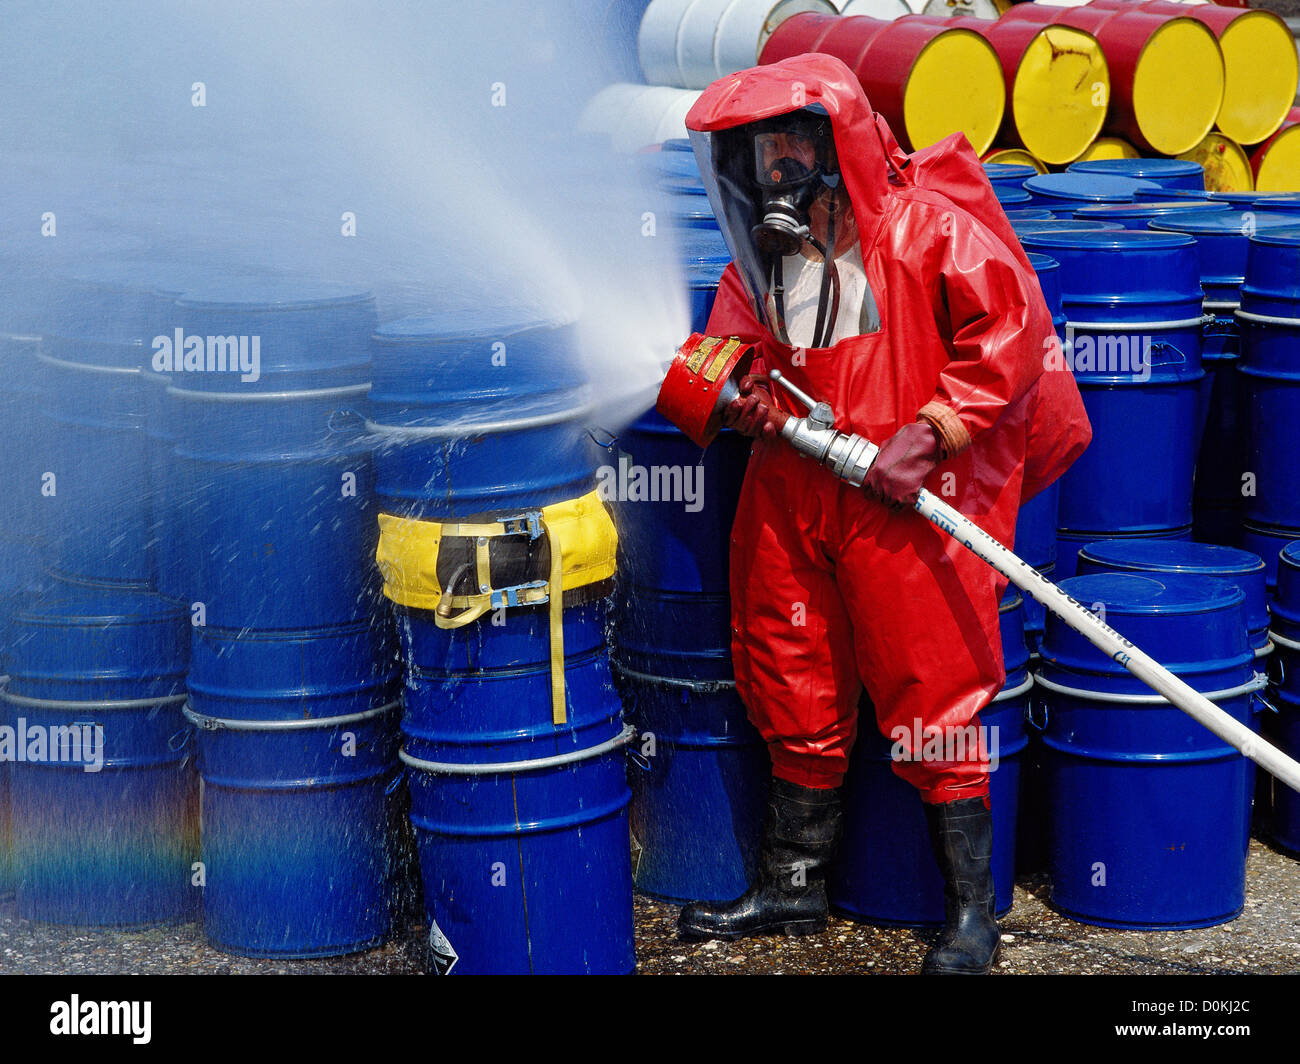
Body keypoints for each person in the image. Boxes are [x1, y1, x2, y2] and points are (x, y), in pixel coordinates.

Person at [674, 54, 1090, 974]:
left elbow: (1010, 335)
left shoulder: (928, 233)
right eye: (756, 151)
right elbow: (720, 351)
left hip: (904, 502)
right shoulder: (764, 254)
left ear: (837, 141)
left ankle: (972, 914)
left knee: (932, 682)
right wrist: (729, 393)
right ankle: (792, 886)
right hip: (793, 491)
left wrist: (933, 431)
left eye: (790, 144)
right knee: (790, 670)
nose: (773, 167)